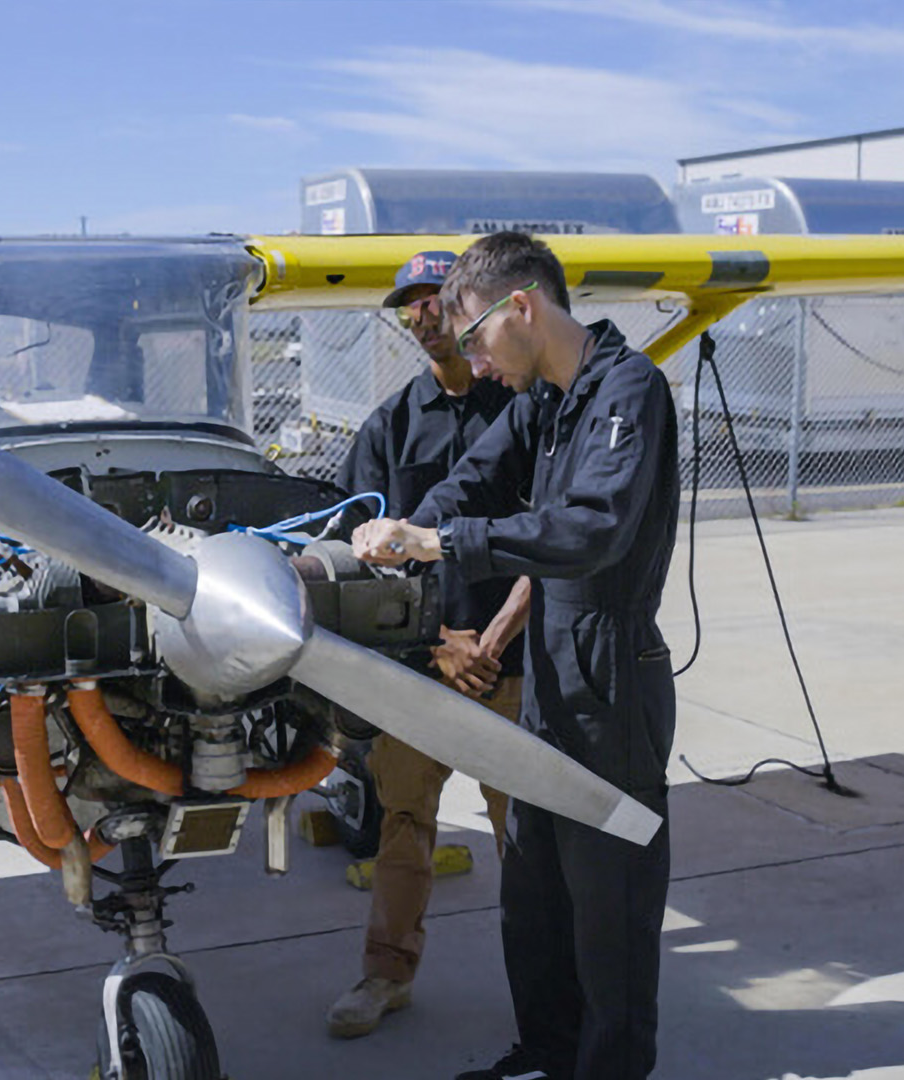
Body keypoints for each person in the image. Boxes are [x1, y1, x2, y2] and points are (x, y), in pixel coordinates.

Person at [351, 232, 679, 1080]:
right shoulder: (545, 401)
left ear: (522, 308)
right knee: (534, 896)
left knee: (612, 907)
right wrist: (397, 535)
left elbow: (589, 530)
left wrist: (442, 540)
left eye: (476, 340)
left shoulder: (625, 391)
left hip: (610, 679)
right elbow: (478, 476)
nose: (478, 364)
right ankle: (547, 1054)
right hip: (549, 676)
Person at [325, 251, 533, 1040]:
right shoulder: (390, 424)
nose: (420, 316)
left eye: (433, 300)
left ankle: (545, 983)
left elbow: (548, 537)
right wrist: (442, 640)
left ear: (465, 306)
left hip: (507, 664)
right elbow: (361, 548)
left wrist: (494, 639)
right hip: (420, 668)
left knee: (528, 834)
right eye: (407, 305)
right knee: (403, 823)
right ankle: (386, 975)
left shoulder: (520, 408)